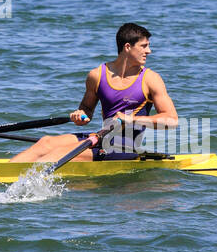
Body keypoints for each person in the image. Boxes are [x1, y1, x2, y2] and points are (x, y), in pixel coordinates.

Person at [12, 23, 178, 164]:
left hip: (124, 146)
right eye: (144, 46)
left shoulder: (151, 79)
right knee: (45, 143)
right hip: (100, 137)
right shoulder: (97, 75)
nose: (149, 51)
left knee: (58, 155)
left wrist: (131, 119)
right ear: (127, 47)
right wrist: (81, 115)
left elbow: (171, 120)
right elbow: (86, 109)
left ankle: (18, 183)